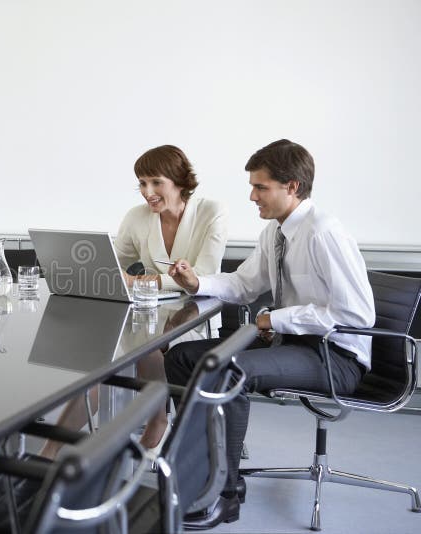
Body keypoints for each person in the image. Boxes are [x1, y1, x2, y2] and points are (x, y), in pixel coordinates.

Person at [164, 139, 375, 529]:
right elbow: (244, 285)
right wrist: (196, 282)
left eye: (260, 187)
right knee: (181, 358)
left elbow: (355, 314)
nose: (251, 195)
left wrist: (274, 320)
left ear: (291, 187)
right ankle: (206, 470)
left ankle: (223, 496)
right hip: (294, 345)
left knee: (231, 372)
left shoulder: (323, 232)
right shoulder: (275, 234)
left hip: (336, 358)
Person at [39, 144, 228, 459]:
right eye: (142, 183)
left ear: (180, 182)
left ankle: (157, 423)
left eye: (155, 182)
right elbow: (114, 266)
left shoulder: (211, 212)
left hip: (195, 313)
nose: (147, 191)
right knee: (99, 359)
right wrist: (102, 274)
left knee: (149, 343)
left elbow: (205, 274)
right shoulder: (137, 217)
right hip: (148, 311)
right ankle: (51, 448)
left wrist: (147, 281)